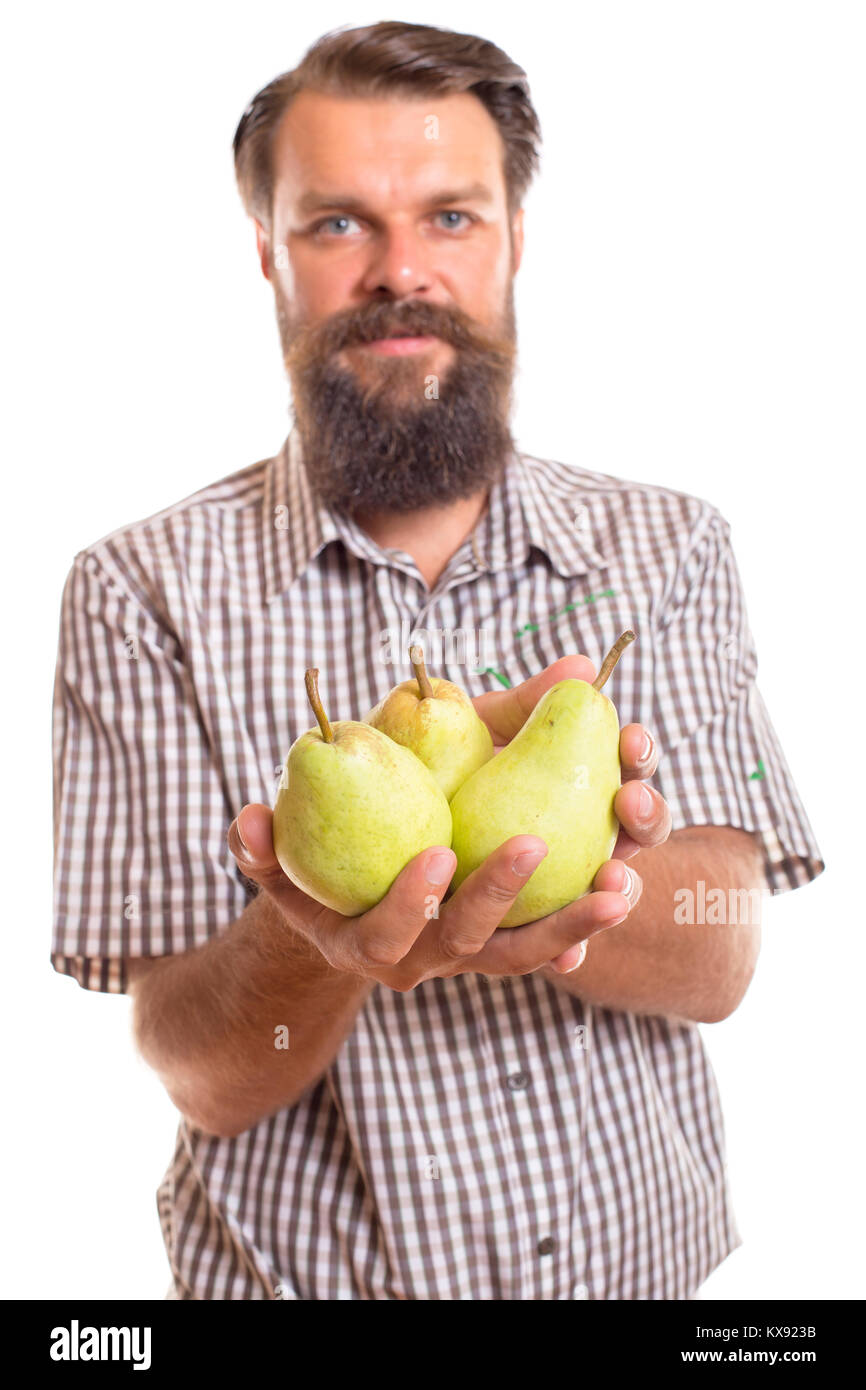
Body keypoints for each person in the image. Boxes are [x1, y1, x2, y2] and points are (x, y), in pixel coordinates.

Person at [51, 21, 824, 1301]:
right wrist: (322, 946)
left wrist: (576, 891)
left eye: (451, 218)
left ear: (516, 239)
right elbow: (203, 1073)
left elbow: (721, 950)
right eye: (337, 223)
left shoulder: (670, 546)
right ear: (267, 256)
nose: (400, 271)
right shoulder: (138, 594)